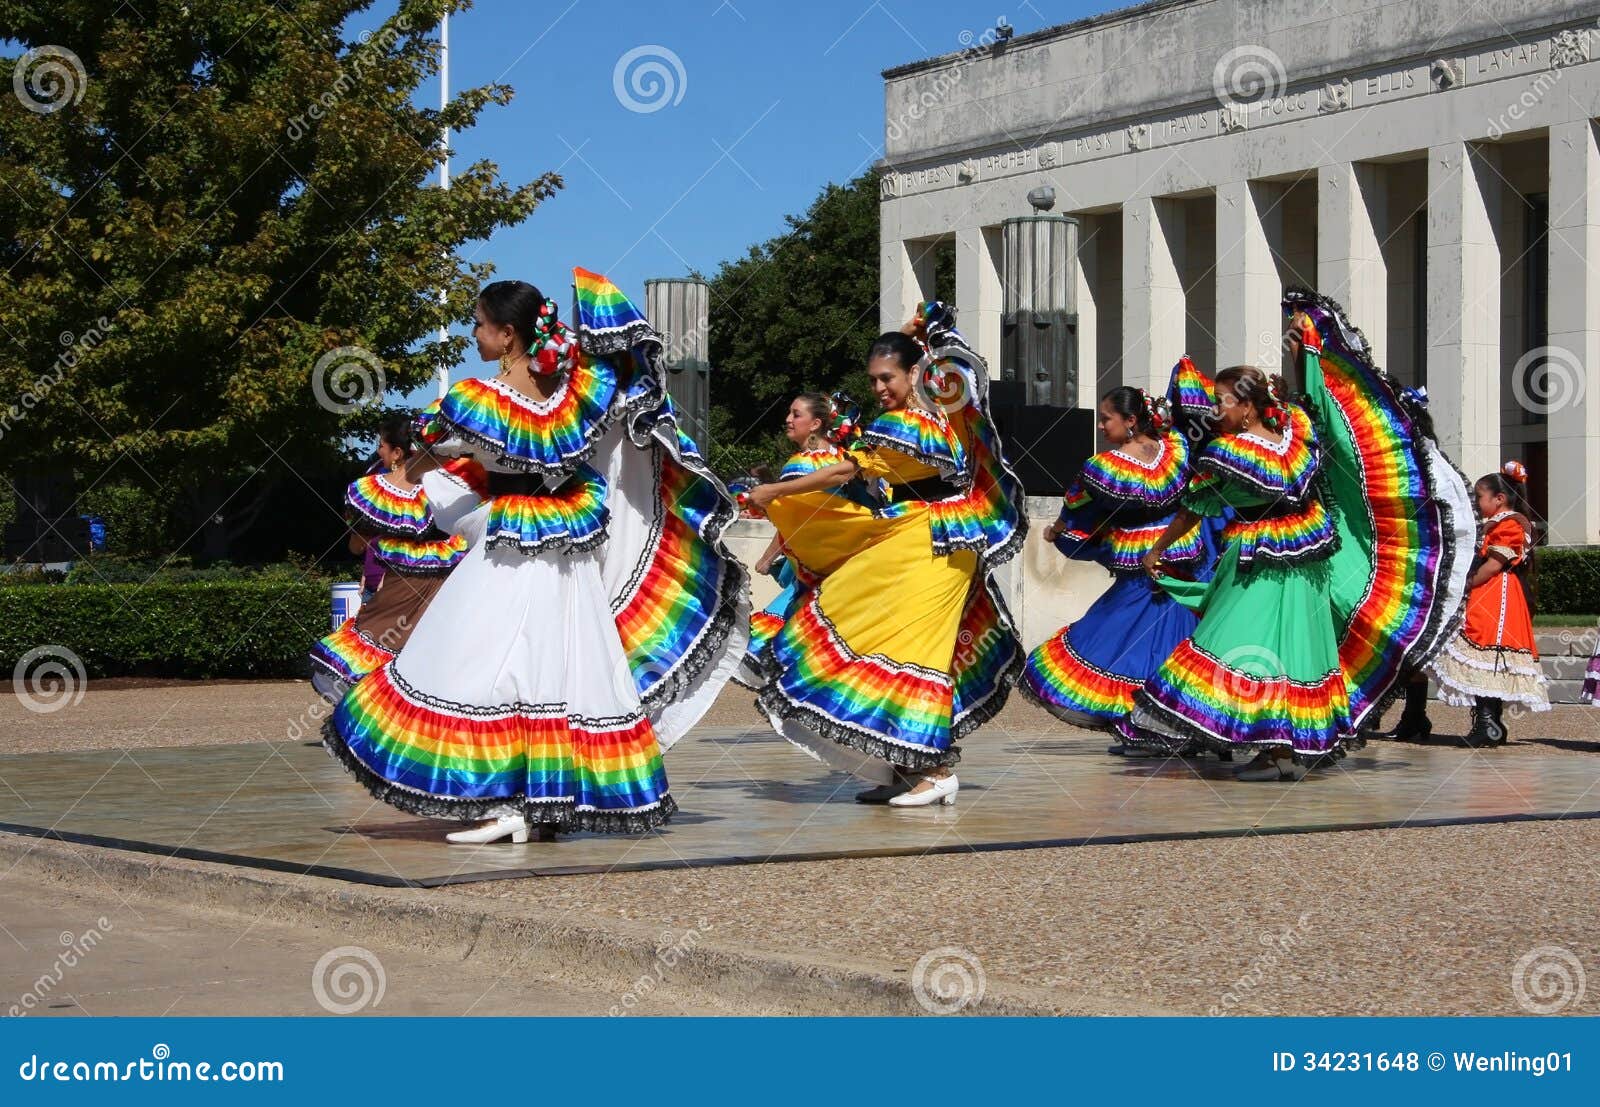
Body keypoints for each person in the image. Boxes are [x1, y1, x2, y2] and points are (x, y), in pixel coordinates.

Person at [322, 270, 749, 843]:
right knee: (555, 667)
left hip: (514, 545)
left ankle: (511, 804)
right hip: (566, 547)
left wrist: (416, 479)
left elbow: (427, 448)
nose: (473, 335)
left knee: (475, 655)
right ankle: (533, 805)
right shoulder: (576, 398)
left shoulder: (478, 399)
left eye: (478, 325)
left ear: (506, 335)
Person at [1119, 292, 1474, 779]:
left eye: (1223, 402)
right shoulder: (1298, 436)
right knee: (1294, 653)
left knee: (1236, 644)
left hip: (1262, 562)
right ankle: (1283, 752)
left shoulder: (1227, 453)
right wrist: (1307, 351)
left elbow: (1191, 508)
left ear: (1247, 408)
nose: (1215, 411)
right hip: (1307, 560)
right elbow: (1316, 405)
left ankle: (1273, 749)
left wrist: (1156, 549)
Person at [746, 303, 1024, 807]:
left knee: (912, 646)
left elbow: (841, 473)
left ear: (915, 373)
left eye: (887, 378)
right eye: (873, 380)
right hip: (918, 537)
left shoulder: (915, 424)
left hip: (937, 541)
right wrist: (907, 333)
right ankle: (903, 765)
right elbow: (859, 449)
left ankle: (935, 771)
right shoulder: (917, 417)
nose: (879, 389)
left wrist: (774, 493)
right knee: (879, 635)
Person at [1020, 365, 1222, 742]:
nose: (1101, 426)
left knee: (1115, 637)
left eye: (1106, 419)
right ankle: (1175, 727)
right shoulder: (1176, 448)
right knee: (1174, 645)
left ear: (1130, 421)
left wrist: (1058, 531)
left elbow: (1079, 511)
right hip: (1183, 558)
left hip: (1141, 565)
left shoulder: (1102, 469)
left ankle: (1148, 727)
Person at [308, 413, 474, 703]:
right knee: (414, 662)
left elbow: (356, 546)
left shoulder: (379, 491)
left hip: (395, 590)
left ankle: (369, 717)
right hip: (435, 592)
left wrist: (364, 531)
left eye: (381, 444)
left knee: (376, 655)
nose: (378, 450)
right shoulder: (454, 489)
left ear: (398, 452)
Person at [737, 392, 868, 688]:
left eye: (796, 414)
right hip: (844, 565)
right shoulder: (840, 458)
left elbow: (797, 522)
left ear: (815, 424)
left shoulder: (801, 466)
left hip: (819, 569)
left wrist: (769, 556)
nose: (788, 419)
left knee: (780, 638)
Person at [1427, 461, 1551, 743]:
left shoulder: (1510, 524)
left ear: (1500, 499)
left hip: (1497, 593)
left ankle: (1488, 721)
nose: (1475, 502)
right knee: (1485, 654)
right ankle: (1488, 721)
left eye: (1479, 497)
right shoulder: (1496, 523)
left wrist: (1464, 585)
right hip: (1490, 592)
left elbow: (1494, 565)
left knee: (1488, 650)